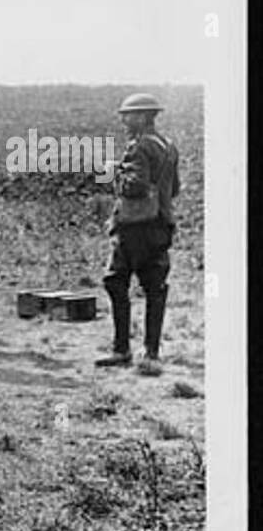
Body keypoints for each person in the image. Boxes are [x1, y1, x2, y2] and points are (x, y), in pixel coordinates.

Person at [96, 93, 181, 375]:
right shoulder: (168, 146)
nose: (123, 120)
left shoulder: (140, 146)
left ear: (143, 117)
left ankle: (122, 350)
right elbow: (175, 188)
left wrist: (112, 174)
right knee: (155, 287)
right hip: (160, 225)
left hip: (135, 229)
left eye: (128, 115)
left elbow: (135, 186)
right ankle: (151, 352)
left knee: (115, 281)